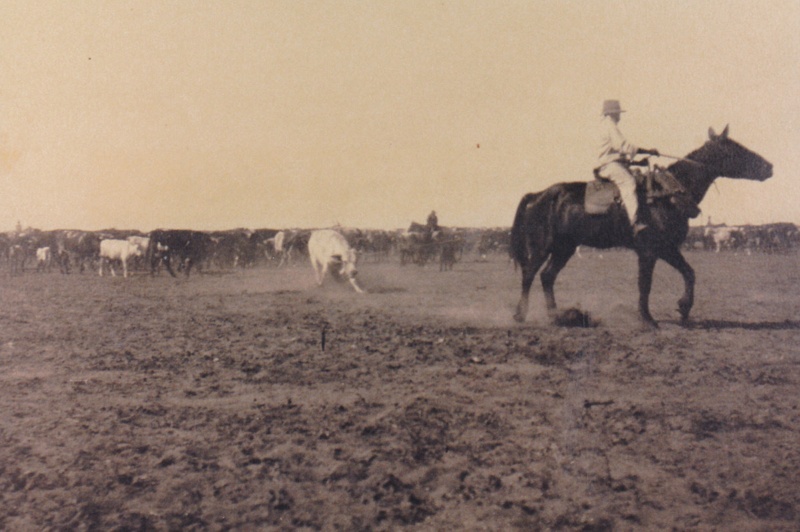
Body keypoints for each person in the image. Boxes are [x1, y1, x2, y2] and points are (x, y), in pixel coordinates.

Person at [597, 100, 659, 235]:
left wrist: (638, 162)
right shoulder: (609, 125)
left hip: (614, 163)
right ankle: (634, 222)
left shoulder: (607, 125)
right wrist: (647, 151)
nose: (620, 116)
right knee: (629, 182)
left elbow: (619, 154)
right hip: (609, 165)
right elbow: (623, 146)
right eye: (618, 113)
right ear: (613, 113)